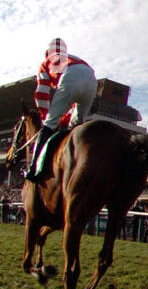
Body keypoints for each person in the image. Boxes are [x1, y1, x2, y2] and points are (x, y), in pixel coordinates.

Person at [27, 38, 98, 182]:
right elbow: (71, 106)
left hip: (71, 76)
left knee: (49, 124)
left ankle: (34, 170)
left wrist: (46, 117)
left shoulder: (46, 63)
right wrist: (63, 119)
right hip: (91, 79)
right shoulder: (74, 58)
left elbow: (41, 93)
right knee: (76, 127)